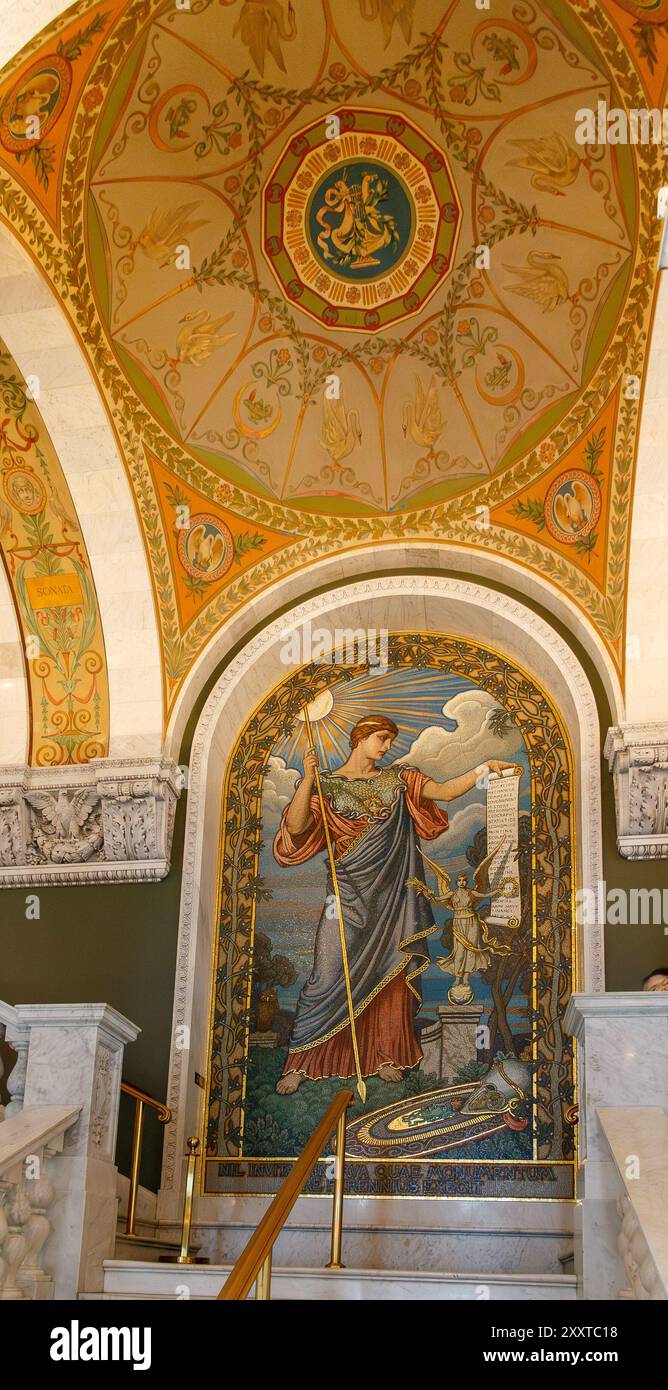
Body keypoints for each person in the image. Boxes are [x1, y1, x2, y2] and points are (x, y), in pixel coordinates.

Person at [272, 712, 514, 1094]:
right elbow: (298, 827)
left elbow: (448, 791)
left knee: (392, 976)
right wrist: (306, 780)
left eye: (390, 740)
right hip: (347, 895)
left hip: (393, 898)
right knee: (325, 973)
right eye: (382, 738)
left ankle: (386, 1055)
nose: (387, 747)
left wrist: (484, 767)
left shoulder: (399, 780)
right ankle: (302, 1060)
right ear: (360, 737)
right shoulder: (327, 785)